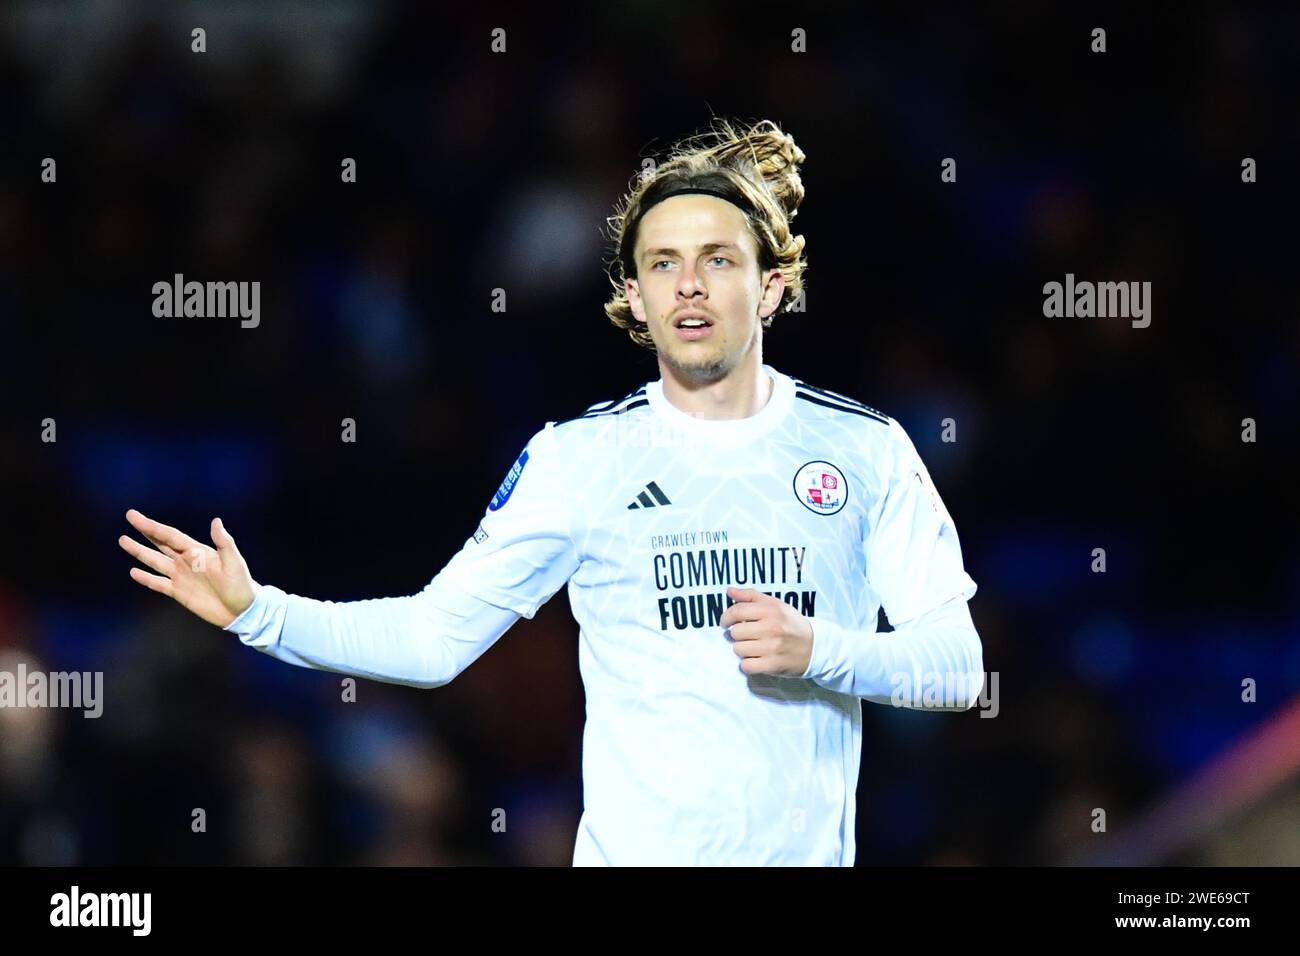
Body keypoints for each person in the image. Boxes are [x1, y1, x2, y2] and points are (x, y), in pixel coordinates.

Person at [119, 118, 984, 866]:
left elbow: (956, 667)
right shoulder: (580, 459)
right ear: (635, 301)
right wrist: (259, 612)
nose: (688, 284)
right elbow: (433, 639)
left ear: (772, 286)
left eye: (718, 260)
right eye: (663, 264)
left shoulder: (863, 449)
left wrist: (822, 650)